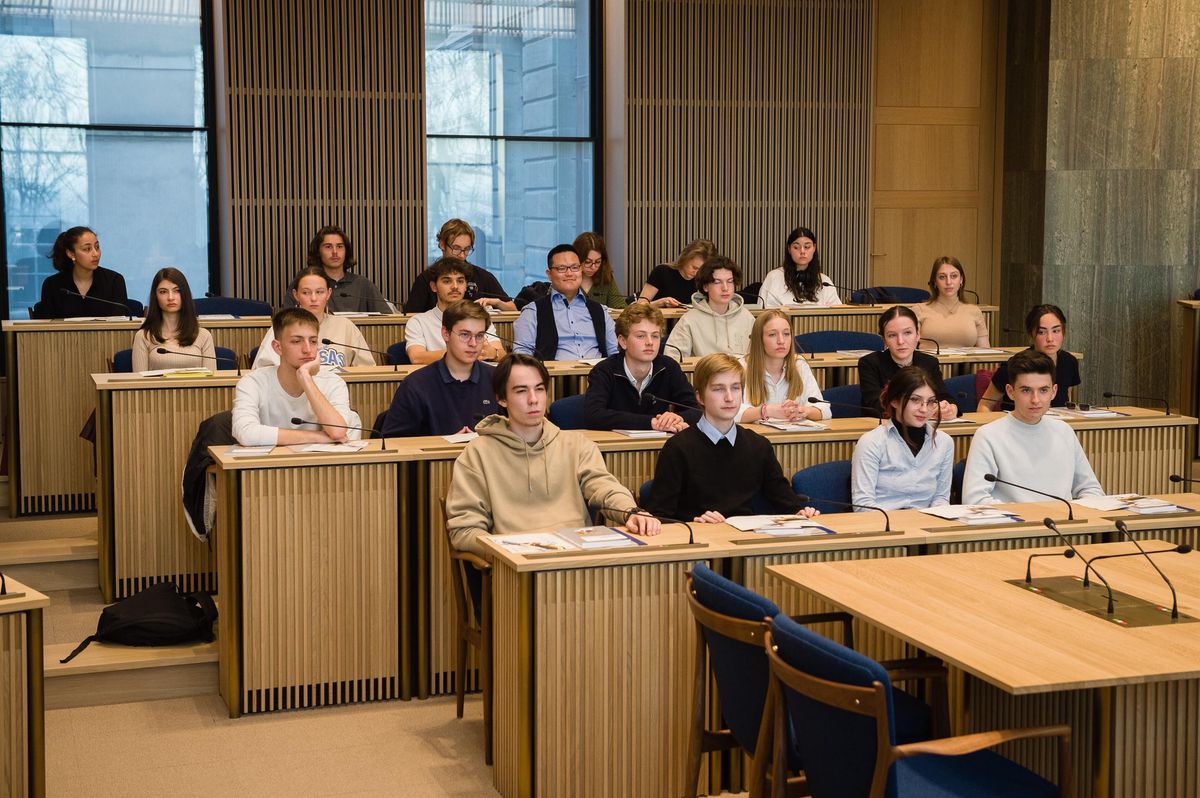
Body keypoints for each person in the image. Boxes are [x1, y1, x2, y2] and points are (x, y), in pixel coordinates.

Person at [445, 353, 660, 555]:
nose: (533, 399)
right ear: (501, 399)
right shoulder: (477, 454)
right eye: (521, 391)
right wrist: (506, 553)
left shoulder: (575, 445)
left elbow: (604, 487)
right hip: (517, 567)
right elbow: (464, 530)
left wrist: (630, 511)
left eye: (539, 389)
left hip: (577, 557)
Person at [644, 353, 820, 523]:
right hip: (700, 544)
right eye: (719, 389)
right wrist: (694, 523)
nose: (729, 398)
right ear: (700, 397)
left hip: (745, 544)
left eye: (735, 388)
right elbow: (659, 517)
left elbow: (786, 502)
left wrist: (801, 512)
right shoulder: (677, 448)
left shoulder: (758, 446)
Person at [963, 350, 1103, 505]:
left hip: (1062, 525)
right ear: (1010, 392)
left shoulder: (1064, 431)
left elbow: (1091, 490)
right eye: (1026, 390)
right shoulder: (988, 436)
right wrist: (1028, 517)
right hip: (1015, 525)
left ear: (1054, 392)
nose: (1035, 400)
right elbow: (975, 500)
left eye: (1043, 390)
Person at [232, 308, 362, 446]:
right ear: (278, 347)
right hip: (270, 466)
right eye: (296, 341)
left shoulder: (333, 382)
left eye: (313, 341)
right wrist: (318, 437)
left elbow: (337, 432)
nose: (307, 349)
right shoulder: (252, 382)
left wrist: (306, 378)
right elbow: (246, 433)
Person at [382, 300, 499, 437]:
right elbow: (393, 441)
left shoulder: (498, 380)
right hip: (433, 458)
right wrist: (443, 443)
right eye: (465, 335)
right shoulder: (415, 385)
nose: (473, 343)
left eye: (479, 336)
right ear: (446, 334)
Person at [583, 304, 700, 431]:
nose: (650, 342)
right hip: (616, 448)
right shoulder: (604, 371)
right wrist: (651, 423)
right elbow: (594, 416)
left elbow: (696, 411)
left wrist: (678, 418)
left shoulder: (669, 367)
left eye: (655, 336)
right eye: (641, 336)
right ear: (623, 341)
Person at [851, 366, 953, 510]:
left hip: (926, 525)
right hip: (884, 526)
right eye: (915, 400)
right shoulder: (871, 442)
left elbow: (941, 498)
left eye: (930, 402)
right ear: (895, 401)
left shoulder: (944, 442)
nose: (924, 409)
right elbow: (862, 505)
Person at [252, 267, 375, 368]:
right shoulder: (282, 327)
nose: (314, 298)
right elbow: (262, 372)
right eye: (306, 292)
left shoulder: (345, 327)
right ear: (296, 295)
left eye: (319, 292)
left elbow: (367, 370)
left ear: (329, 293)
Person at [513, 244, 618, 360]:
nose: (569, 273)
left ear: (581, 270)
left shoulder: (600, 311)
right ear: (549, 274)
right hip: (553, 377)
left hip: (597, 376)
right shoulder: (532, 312)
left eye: (574, 267)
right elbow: (522, 357)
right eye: (561, 268)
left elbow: (615, 352)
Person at [977, 304, 1079, 412]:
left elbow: (1067, 401)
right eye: (1041, 332)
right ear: (1031, 334)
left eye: (1056, 331)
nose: (1050, 339)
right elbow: (985, 404)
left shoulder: (1069, 362)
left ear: (1064, 331)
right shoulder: (1015, 365)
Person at [858, 306, 954, 419]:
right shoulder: (870, 363)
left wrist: (949, 409)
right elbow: (875, 406)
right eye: (892, 335)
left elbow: (944, 397)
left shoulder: (929, 362)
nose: (901, 341)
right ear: (884, 340)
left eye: (907, 333)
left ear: (918, 335)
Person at [404, 257, 505, 364]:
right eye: (447, 281)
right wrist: (461, 353)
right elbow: (417, 358)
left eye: (460, 281)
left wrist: (495, 353)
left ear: (466, 286)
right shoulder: (418, 322)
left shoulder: (479, 317)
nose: (455, 286)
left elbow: (502, 354)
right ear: (434, 286)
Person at [736, 310, 831, 422]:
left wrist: (804, 411)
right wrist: (766, 411)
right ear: (759, 339)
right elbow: (730, 413)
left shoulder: (799, 365)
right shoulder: (741, 368)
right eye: (772, 335)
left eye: (786, 334)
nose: (781, 341)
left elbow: (824, 410)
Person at [404, 219, 516, 312]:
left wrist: (497, 302)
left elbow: (513, 310)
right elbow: (411, 316)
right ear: (442, 244)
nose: (462, 255)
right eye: (456, 248)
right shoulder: (426, 279)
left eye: (467, 249)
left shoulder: (482, 276)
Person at [665, 255, 755, 359]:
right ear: (705, 286)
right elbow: (672, 358)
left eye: (730, 281)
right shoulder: (689, 320)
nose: (725, 288)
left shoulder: (747, 317)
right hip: (704, 374)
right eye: (717, 282)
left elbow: (759, 356)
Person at [287, 225, 391, 314]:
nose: (335, 252)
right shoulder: (305, 282)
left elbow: (387, 318)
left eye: (340, 246)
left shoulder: (362, 284)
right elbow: (286, 319)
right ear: (318, 251)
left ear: (346, 251)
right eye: (328, 247)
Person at [32, 226, 129, 319]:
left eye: (97, 247)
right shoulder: (52, 285)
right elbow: (46, 328)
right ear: (71, 253)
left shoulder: (114, 281)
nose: (96, 254)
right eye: (87, 249)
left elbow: (120, 323)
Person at [132, 268, 216, 371]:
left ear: (185, 294)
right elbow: (140, 383)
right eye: (163, 292)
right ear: (155, 296)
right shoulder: (143, 336)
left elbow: (211, 381)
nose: (171, 297)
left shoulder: (204, 336)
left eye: (177, 291)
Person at [911, 256, 990, 348]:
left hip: (965, 362)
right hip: (928, 362)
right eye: (942, 277)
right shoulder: (919, 310)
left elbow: (985, 352)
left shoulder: (974, 311)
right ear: (935, 281)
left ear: (961, 280)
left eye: (954, 276)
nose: (949, 282)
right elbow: (909, 351)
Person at [759, 227, 839, 307]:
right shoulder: (774, 278)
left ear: (814, 248)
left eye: (807, 247)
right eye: (796, 247)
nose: (802, 251)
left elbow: (837, 312)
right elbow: (765, 314)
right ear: (789, 249)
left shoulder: (824, 282)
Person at [637, 239, 717, 308]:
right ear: (685, 258)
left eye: (701, 270)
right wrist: (661, 303)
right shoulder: (662, 272)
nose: (696, 273)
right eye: (694, 268)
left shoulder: (703, 280)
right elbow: (639, 306)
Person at [574, 231, 626, 309]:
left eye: (598, 262)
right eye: (588, 262)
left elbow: (620, 307)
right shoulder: (568, 278)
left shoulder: (605, 276)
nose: (593, 267)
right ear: (577, 258)